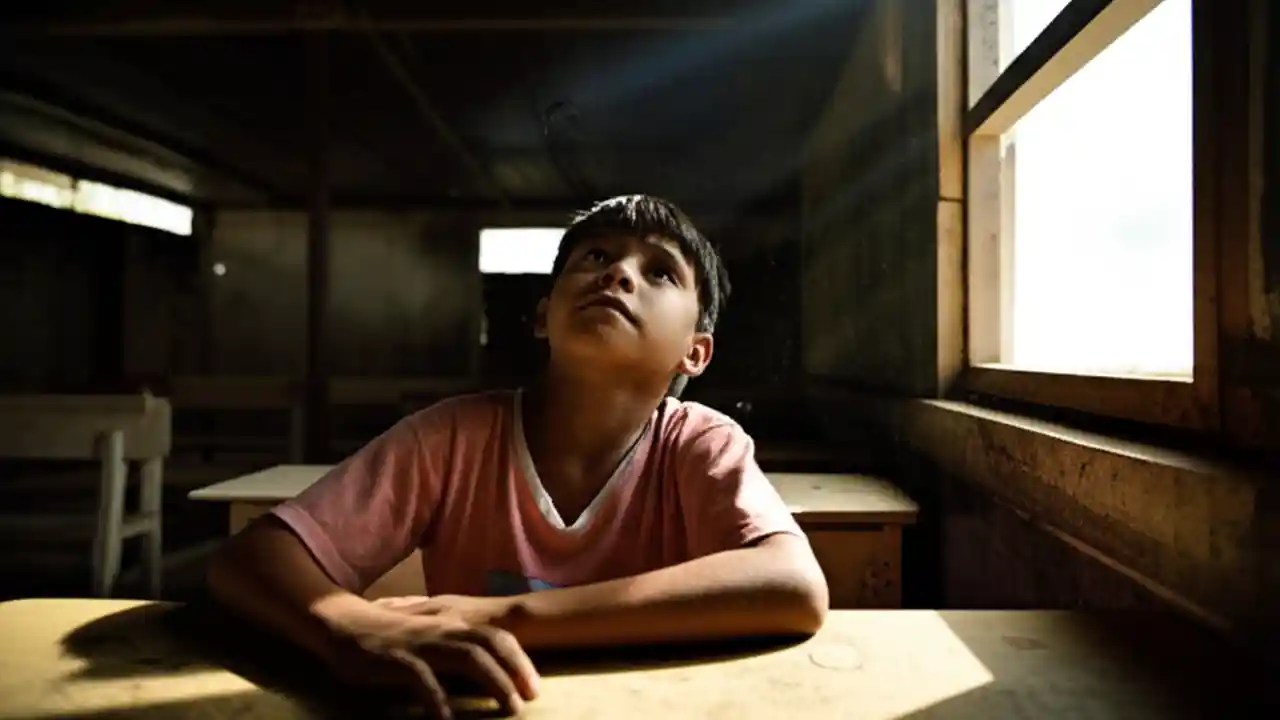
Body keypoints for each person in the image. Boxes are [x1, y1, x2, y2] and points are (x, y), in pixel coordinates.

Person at [207, 194, 829, 719]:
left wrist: (511, 615)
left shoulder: (698, 442)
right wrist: (344, 625)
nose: (617, 275)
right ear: (542, 315)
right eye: (596, 257)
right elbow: (249, 559)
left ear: (695, 353)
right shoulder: (451, 437)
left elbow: (791, 585)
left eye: (660, 272)